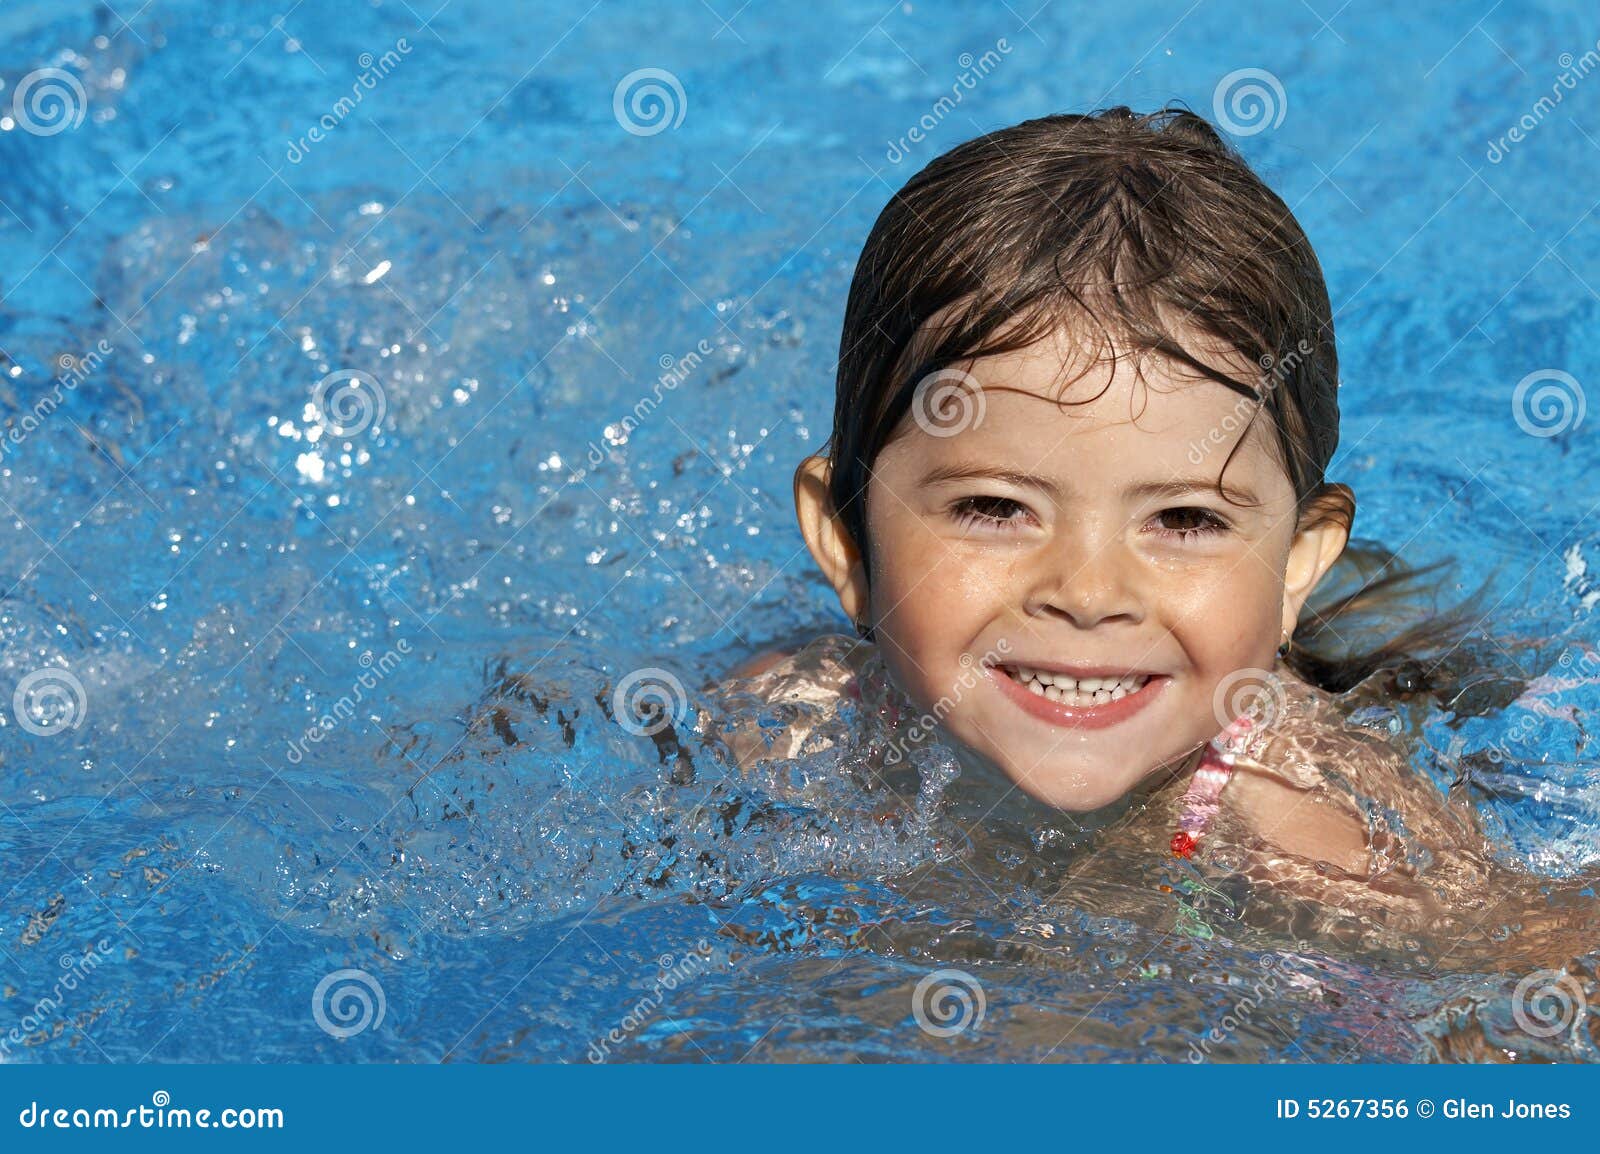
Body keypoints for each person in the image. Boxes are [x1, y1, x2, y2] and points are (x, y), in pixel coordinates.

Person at [713, 106, 1600, 973]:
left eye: (1185, 520)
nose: (1091, 592)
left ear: (1294, 565)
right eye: (994, 508)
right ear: (845, 539)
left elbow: (1540, 964)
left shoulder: (1314, 830)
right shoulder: (777, 732)